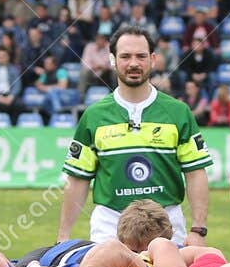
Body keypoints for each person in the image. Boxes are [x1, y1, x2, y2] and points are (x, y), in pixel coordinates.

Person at [57, 25, 213, 245]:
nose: (133, 63)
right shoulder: (93, 116)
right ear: (112, 60)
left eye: (141, 56)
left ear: (153, 59)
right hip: (110, 225)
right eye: (125, 56)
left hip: (166, 222)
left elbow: (196, 172)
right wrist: (63, 236)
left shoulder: (179, 112)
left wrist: (198, 229)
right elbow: (77, 180)